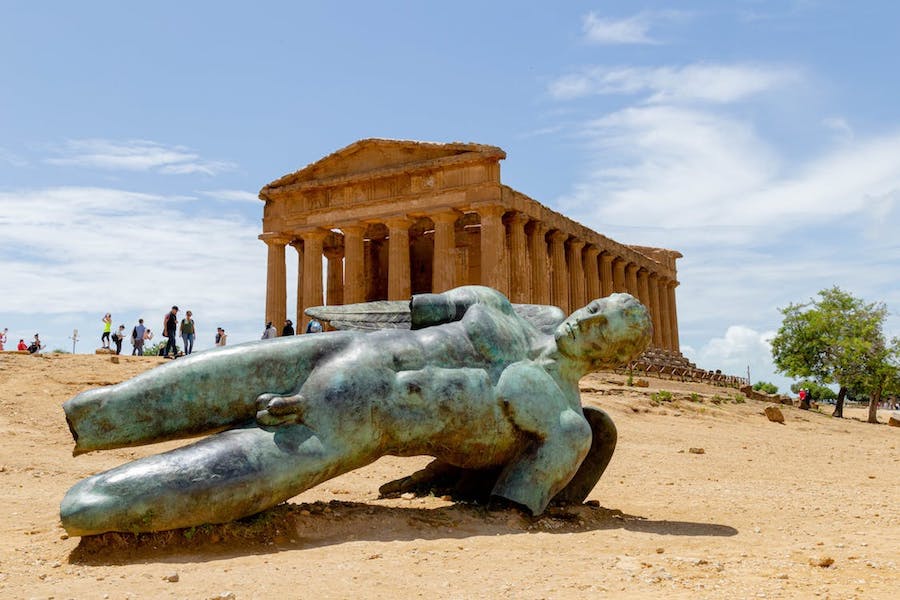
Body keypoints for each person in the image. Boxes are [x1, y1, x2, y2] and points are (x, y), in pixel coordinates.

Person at [60, 286, 651, 535]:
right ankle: (97, 421)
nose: (587, 322)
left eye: (603, 332)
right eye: (595, 308)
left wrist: (444, 481)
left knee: (92, 508)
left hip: (345, 428)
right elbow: (395, 312)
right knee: (104, 408)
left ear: (614, 357)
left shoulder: (566, 428)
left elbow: (503, 511)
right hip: (331, 351)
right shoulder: (497, 307)